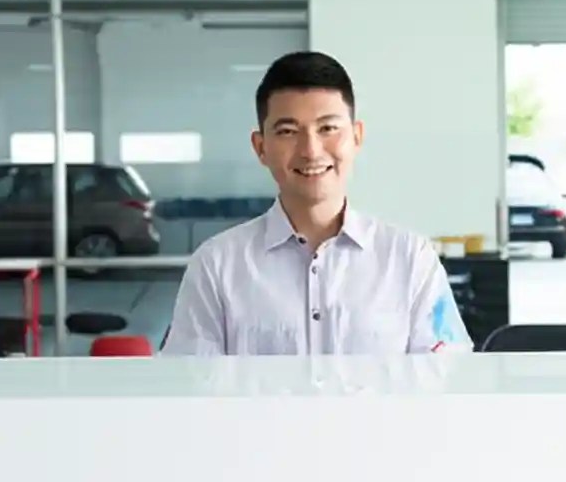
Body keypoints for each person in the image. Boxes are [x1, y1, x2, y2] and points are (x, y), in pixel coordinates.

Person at [161, 51, 472, 356]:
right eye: (288, 131)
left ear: (356, 136)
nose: (310, 150)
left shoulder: (410, 258)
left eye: (328, 128)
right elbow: (190, 388)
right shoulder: (216, 265)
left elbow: (446, 381)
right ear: (261, 147)